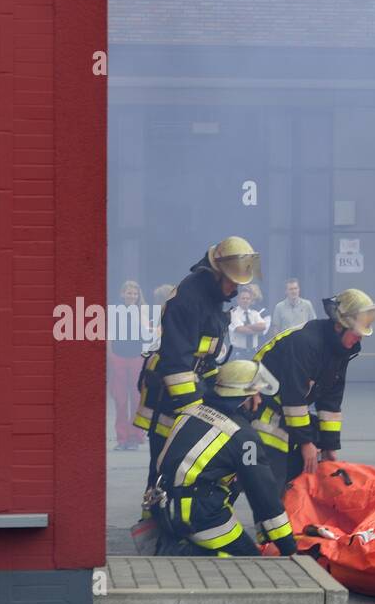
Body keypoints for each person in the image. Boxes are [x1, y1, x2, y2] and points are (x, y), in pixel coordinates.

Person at [133, 237, 260, 514]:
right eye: (232, 282)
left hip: (193, 384)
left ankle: (172, 512)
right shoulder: (189, 298)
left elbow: (207, 359)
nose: (236, 289)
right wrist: (192, 414)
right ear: (217, 273)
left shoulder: (212, 296)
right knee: (164, 460)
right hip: (170, 396)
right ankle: (152, 518)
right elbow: (177, 363)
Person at [151, 359, 297, 557]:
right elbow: (264, 495)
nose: (260, 401)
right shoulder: (243, 437)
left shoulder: (193, 411)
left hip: (162, 505)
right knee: (249, 562)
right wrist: (289, 547)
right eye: (256, 394)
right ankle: (192, 553)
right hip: (197, 514)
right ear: (244, 397)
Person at [253, 288, 375, 488]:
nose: (360, 339)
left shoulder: (340, 350)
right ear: (340, 326)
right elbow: (293, 396)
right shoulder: (306, 342)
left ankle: (288, 513)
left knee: (298, 473)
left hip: (287, 411)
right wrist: (305, 443)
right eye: (357, 333)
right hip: (262, 407)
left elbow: (330, 400)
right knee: (272, 476)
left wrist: (329, 446)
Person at [109, 280, 147, 451]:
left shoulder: (143, 311)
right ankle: (122, 438)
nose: (132, 296)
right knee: (120, 399)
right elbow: (108, 334)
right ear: (122, 294)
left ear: (138, 296)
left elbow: (147, 335)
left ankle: (135, 437)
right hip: (119, 358)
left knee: (137, 398)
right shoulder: (115, 310)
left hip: (137, 358)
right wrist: (111, 356)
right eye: (129, 293)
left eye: (135, 293)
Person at [229, 282, 269, 354]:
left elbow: (263, 326)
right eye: (243, 298)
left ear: (250, 301)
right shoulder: (233, 313)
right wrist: (256, 330)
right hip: (238, 352)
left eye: (248, 299)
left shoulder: (254, 313)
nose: (245, 300)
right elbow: (240, 329)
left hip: (253, 352)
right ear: (238, 300)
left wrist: (247, 326)